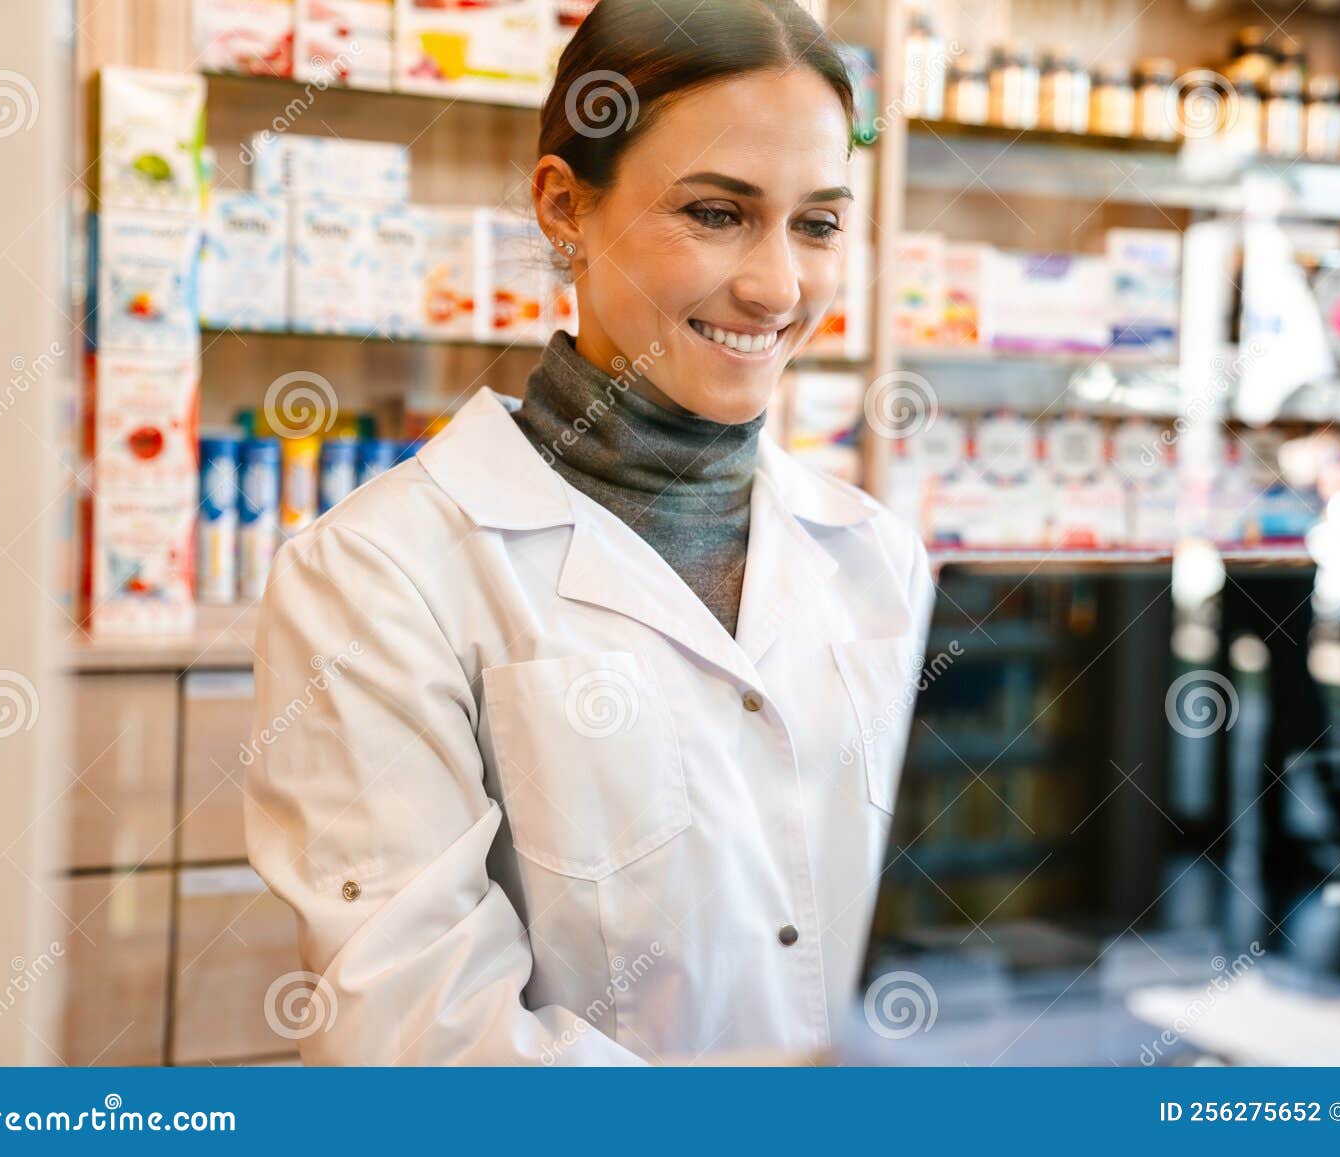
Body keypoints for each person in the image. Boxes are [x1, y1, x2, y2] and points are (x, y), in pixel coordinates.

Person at [245, 0, 932, 1065]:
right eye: (717, 213)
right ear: (564, 207)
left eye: (818, 224)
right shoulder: (378, 575)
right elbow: (413, 1038)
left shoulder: (879, 558)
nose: (777, 286)